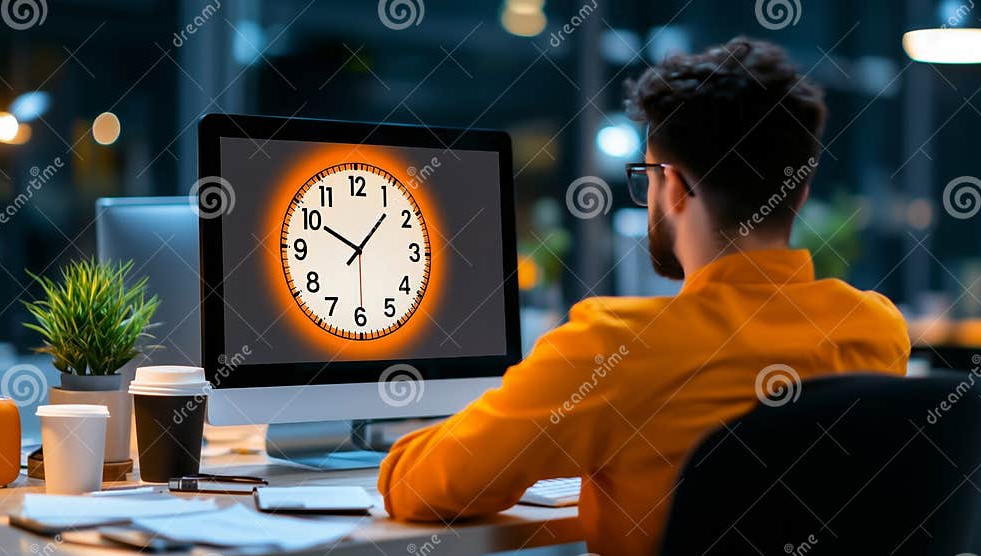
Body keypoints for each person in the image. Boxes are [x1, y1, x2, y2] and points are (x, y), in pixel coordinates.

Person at [377, 37, 909, 555]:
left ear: (672, 186)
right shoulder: (877, 331)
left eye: (647, 176)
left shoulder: (617, 345)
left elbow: (421, 488)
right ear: (801, 193)